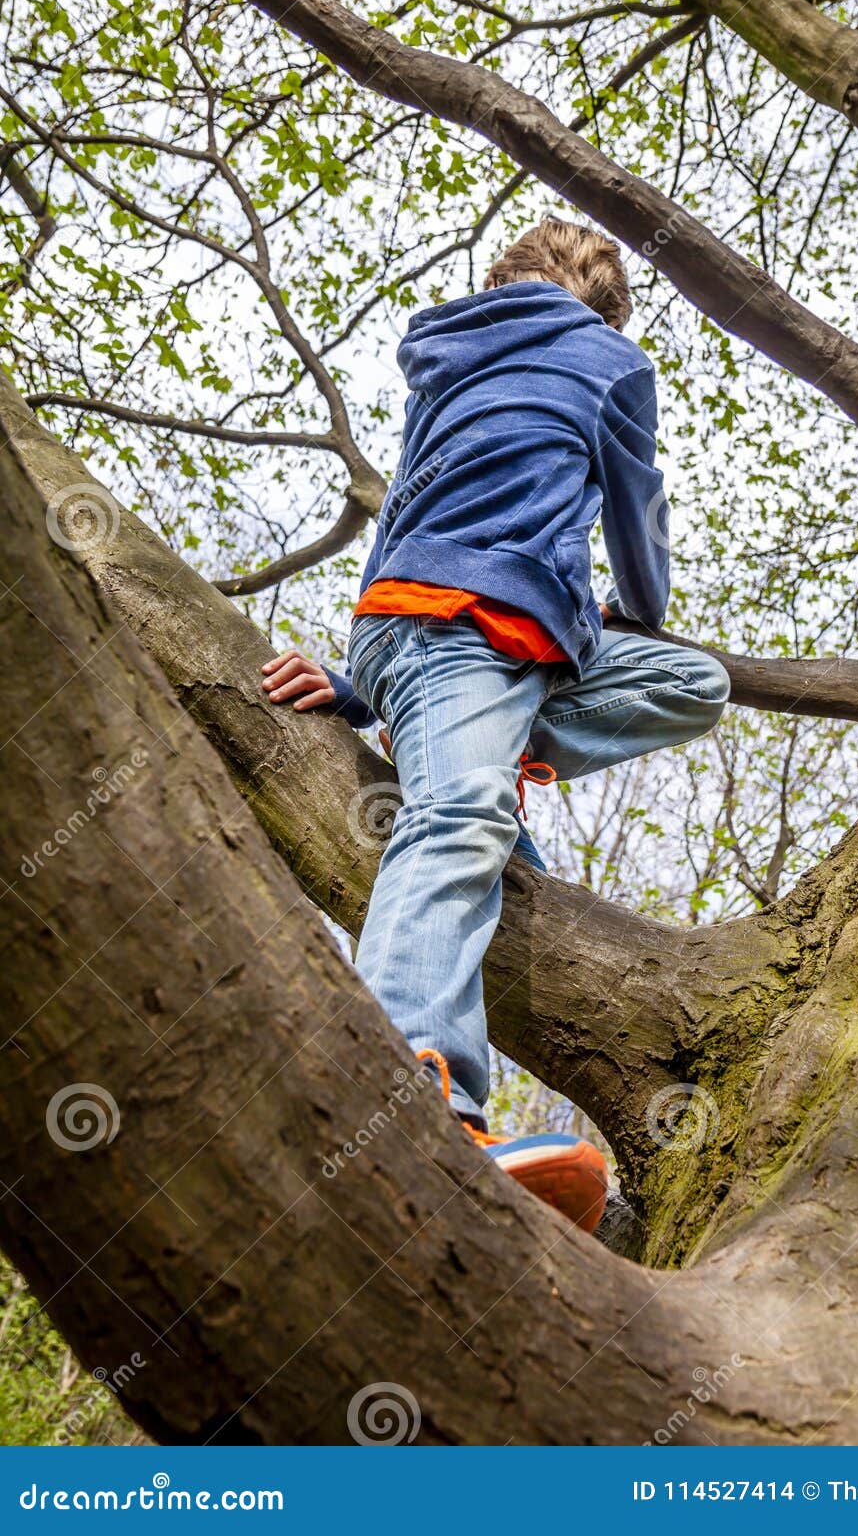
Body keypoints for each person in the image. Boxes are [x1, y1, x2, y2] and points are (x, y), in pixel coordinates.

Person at [262, 217, 730, 1233]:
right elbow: (636, 516)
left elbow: (408, 530)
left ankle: (477, 734)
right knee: (461, 817)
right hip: (467, 636)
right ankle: (404, 1090)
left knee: (690, 682)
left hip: (424, 628)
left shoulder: (445, 363)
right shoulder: (608, 358)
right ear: (603, 305)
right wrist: (632, 600)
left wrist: (359, 682)